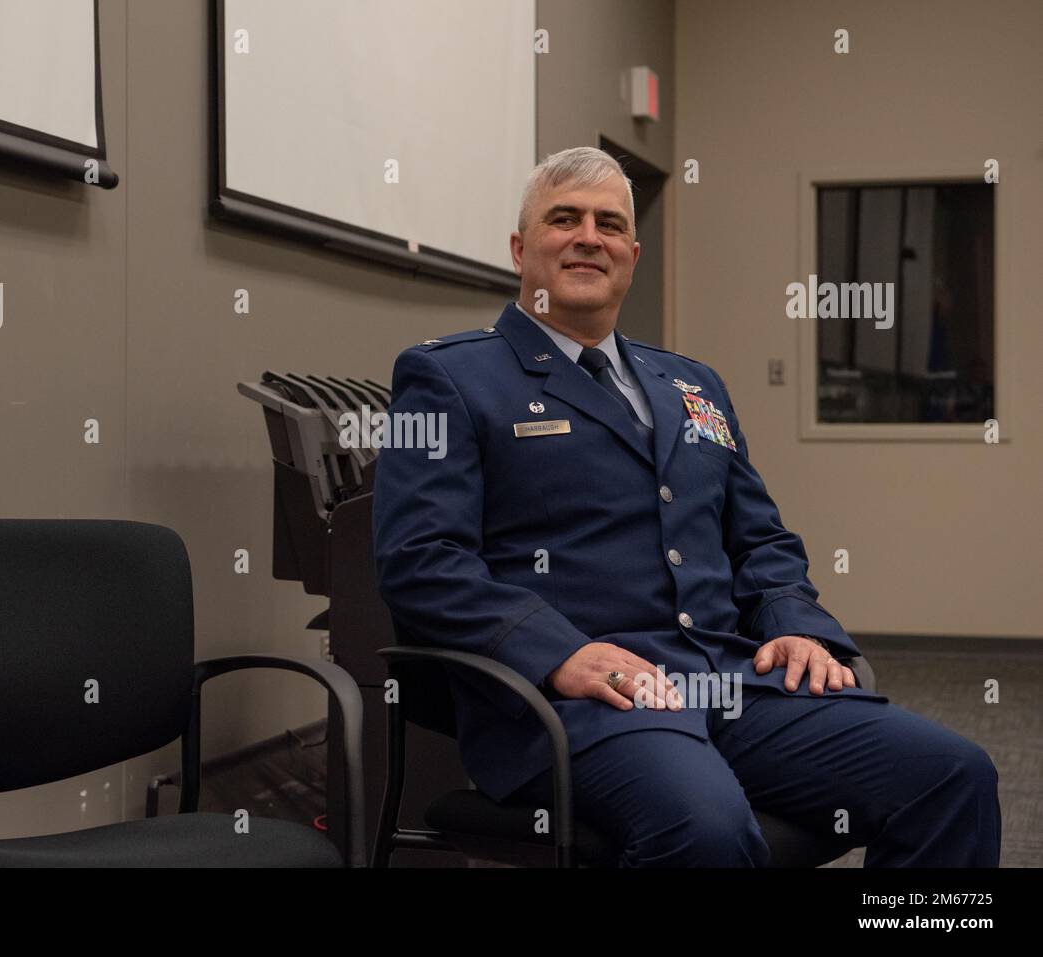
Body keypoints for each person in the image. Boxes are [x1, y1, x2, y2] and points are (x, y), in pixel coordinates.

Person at [371, 146, 1000, 867]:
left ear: (632, 255)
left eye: (609, 224)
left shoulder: (690, 383)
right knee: (707, 830)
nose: (589, 236)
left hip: (730, 679)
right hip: (586, 701)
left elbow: (760, 540)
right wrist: (561, 652)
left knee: (954, 775)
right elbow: (421, 561)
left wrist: (797, 625)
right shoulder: (453, 376)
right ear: (520, 249)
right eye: (564, 219)